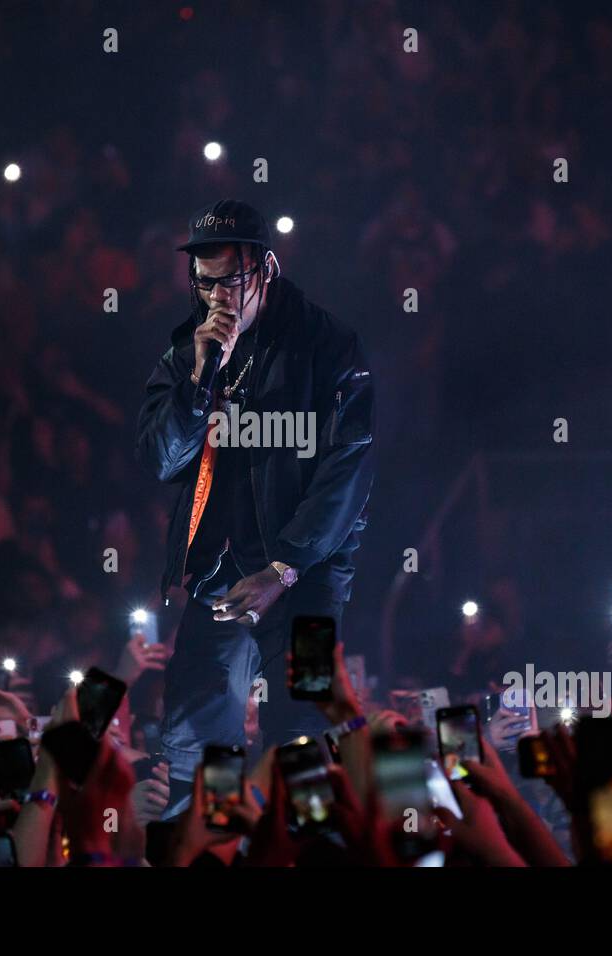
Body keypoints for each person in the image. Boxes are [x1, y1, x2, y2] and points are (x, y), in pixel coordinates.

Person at [136, 199, 376, 816]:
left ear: (266, 267)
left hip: (309, 575)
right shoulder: (188, 350)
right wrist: (198, 379)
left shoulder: (329, 347)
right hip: (223, 571)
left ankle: (307, 851)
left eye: (230, 279)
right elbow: (161, 460)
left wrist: (285, 569)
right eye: (204, 280)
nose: (216, 295)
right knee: (193, 736)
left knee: (305, 733)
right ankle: (204, 851)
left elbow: (347, 473)